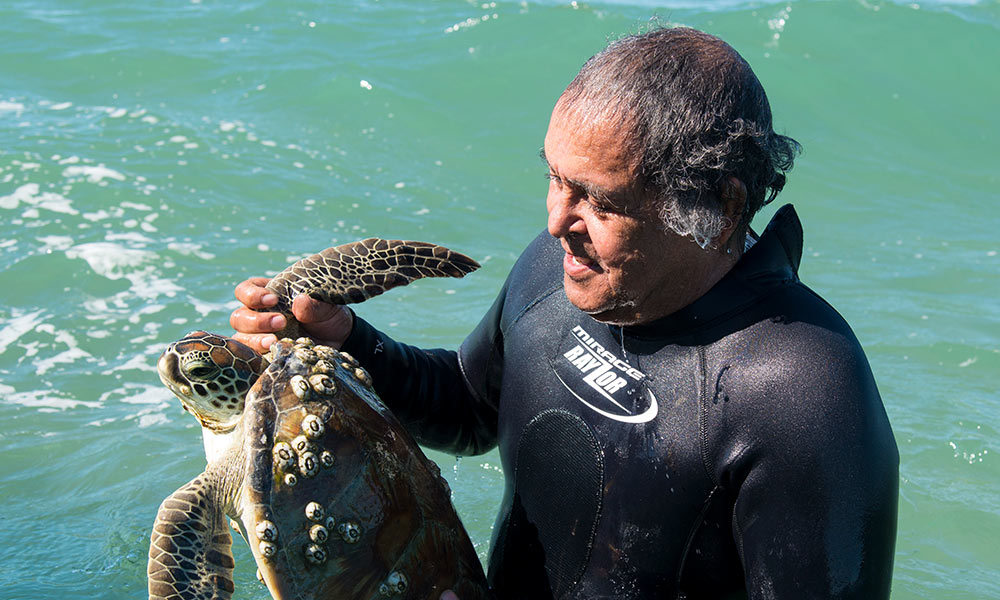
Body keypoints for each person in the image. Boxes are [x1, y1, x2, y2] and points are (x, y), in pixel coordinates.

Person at [231, 27, 899, 599]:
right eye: (554, 177)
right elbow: (471, 406)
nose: (555, 222)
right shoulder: (557, 276)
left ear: (720, 208)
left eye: (599, 201)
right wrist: (349, 341)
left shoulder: (802, 396)